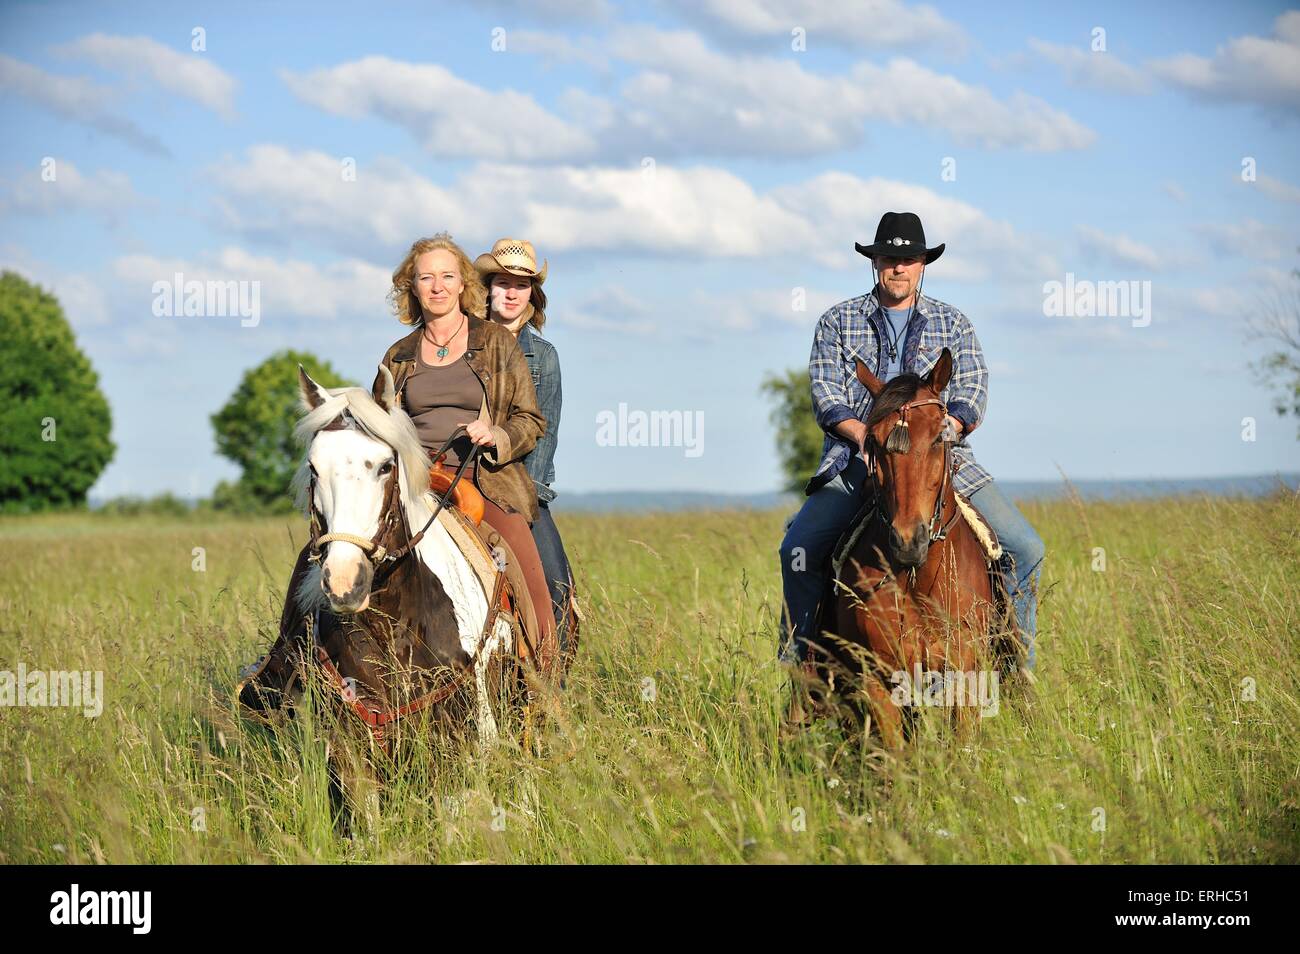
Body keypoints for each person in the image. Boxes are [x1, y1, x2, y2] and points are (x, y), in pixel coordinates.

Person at [778, 211, 1045, 688]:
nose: (898, 267)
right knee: (798, 548)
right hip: (857, 459)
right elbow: (826, 395)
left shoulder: (953, 324)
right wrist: (866, 438)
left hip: (943, 460)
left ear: (923, 264)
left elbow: (972, 389)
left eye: (908, 259)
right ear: (874, 262)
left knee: (1025, 547)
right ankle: (807, 669)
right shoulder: (837, 322)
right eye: (888, 258)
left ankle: (1014, 665)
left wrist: (951, 426)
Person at [370, 233, 555, 649]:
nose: (437, 286)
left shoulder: (496, 343)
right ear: (411, 287)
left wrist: (497, 434)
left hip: (484, 478)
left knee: (532, 588)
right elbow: (377, 426)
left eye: (447, 276)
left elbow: (530, 420)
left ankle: (545, 678)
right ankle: (288, 664)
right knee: (341, 551)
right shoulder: (397, 354)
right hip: (413, 481)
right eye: (425, 278)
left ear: (462, 285)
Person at [473, 238, 573, 644]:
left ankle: (552, 683)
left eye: (522, 285)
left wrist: (520, 500)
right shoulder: (464, 343)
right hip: (459, 480)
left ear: (533, 293)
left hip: (521, 487)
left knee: (556, 590)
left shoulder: (544, 357)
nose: (511, 293)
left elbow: (543, 435)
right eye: (502, 283)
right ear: (487, 288)